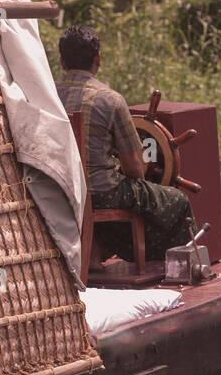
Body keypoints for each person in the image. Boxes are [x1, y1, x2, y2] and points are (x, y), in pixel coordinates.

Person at [55, 25, 194, 264]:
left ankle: (96, 254)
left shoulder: (46, 95)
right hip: (102, 195)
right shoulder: (110, 100)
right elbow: (133, 167)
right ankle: (175, 267)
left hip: (57, 191)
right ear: (97, 59)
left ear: (62, 62)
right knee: (177, 201)